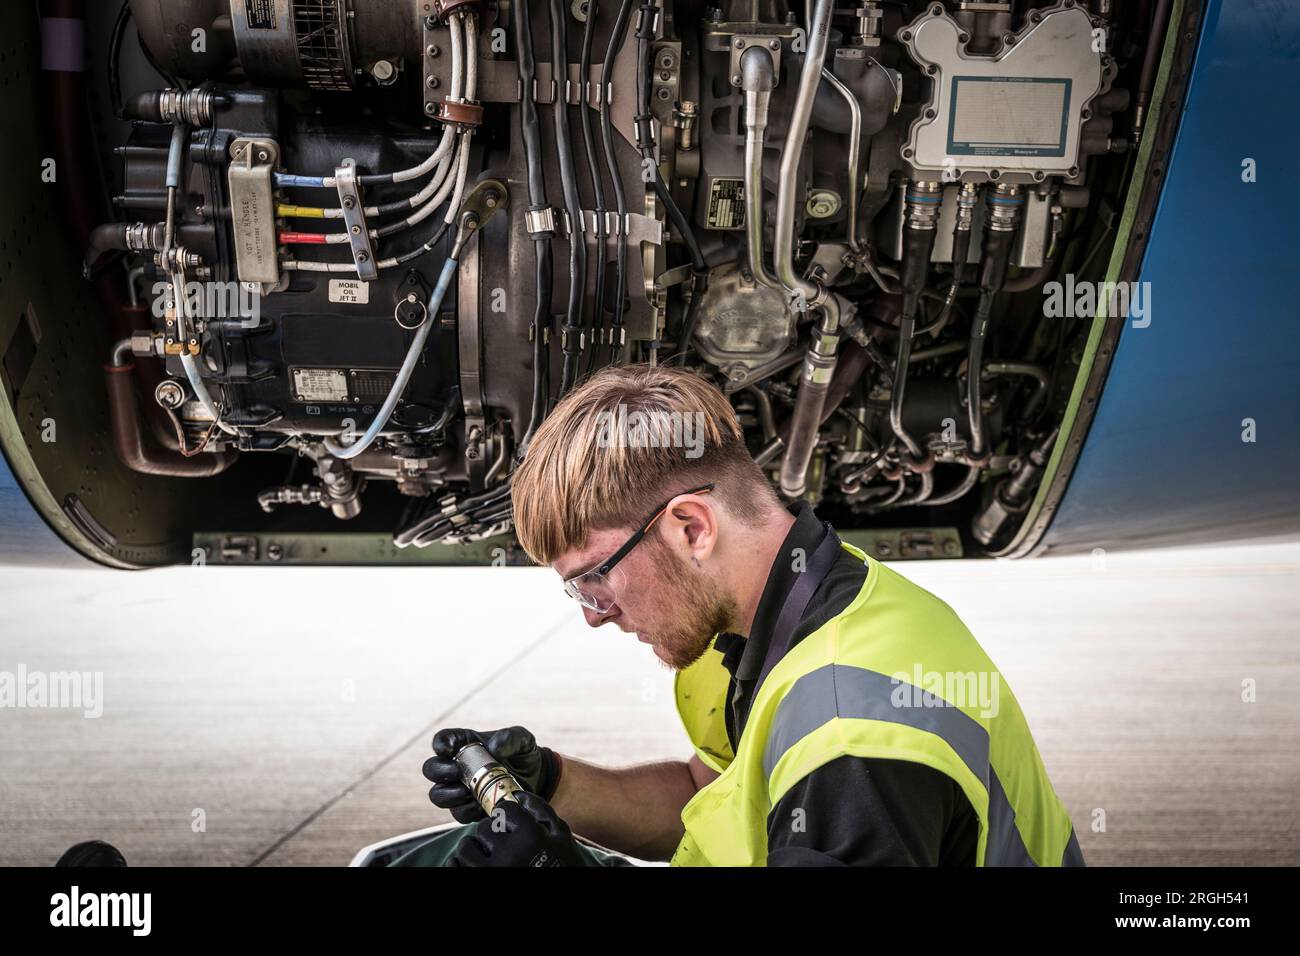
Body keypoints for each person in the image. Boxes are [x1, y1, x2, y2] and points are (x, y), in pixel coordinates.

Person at [408, 364, 1084, 867]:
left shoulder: (853, 737)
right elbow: (717, 806)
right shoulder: (786, 608)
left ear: (692, 528)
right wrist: (553, 786)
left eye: (593, 579)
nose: (594, 615)